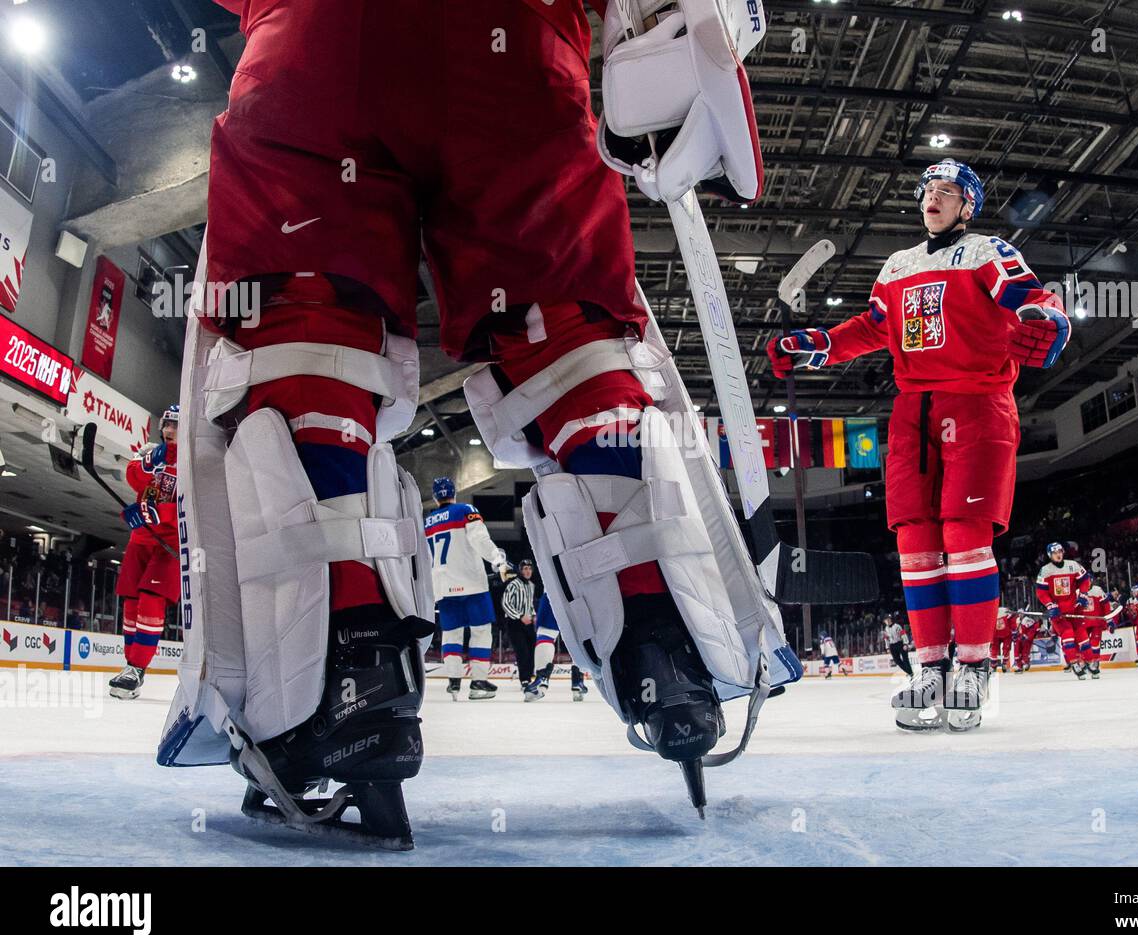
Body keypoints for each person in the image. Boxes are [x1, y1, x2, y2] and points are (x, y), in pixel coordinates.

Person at [163, 0, 780, 841]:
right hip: (520, 49)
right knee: (568, 339)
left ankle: (349, 691)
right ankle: (665, 650)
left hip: (319, 40)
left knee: (308, 340)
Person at [769, 158, 1070, 731]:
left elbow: (1032, 300)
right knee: (915, 541)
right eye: (928, 189)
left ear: (968, 205)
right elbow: (873, 328)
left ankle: (975, 665)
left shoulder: (988, 252)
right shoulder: (897, 265)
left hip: (977, 401)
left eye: (948, 190)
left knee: (964, 533)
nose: (934, 197)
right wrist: (816, 346)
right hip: (913, 410)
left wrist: (1052, 320)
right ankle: (931, 664)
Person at [109, 405, 181, 701]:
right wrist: (149, 465)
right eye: (167, 424)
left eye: (176, 425)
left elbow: (194, 508)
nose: (169, 431)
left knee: (151, 601)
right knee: (131, 602)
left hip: (170, 543)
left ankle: (137, 666)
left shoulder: (195, 461)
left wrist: (158, 513)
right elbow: (133, 478)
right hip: (141, 540)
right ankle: (131, 668)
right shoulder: (151, 452)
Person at [426, 477, 508, 701]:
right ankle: (478, 682)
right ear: (454, 493)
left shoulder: (428, 521)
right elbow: (480, 539)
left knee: (451, 633)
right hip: (471, 583)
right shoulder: (465, 510)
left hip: (442, 587)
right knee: (480, 631)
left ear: (435, 496)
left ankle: (453, 682)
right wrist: (498, 559)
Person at [1036, 542, 1091, 680]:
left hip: (1075, 609)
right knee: (1068, 635)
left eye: (1060, 551)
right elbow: (1041, 592)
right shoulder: (1045, 570)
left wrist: (1083, 595)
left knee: (1083, 638)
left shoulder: (1073, 565)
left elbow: (1085, 580)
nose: (1058, 554)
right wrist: (1050, 605)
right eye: (1055, 553)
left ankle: (1090, 662)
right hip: (1058, 613)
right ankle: (1074, 663)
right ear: (1050, 555)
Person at [524, 591, 589, 702]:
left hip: (552, 588)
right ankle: (578, 682)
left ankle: (541, 678)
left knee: (546, 633)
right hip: (579, 591)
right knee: (579, 636)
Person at [501, 559, 539, 694]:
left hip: (528, 623)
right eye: (525, 568)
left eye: (530, 568)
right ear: (521, 570)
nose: (528, 571)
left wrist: (533, 616)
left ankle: (528, 677)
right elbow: (506, 604)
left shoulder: (531, 585)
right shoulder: (514, 584)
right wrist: (520, 616)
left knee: (532, 651)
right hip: (515, 623)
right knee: (522, 651)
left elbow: (530, 604)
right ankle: (524, 680)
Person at [1077, 582, 1112, 679]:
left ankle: (1094, 662)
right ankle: (1083, 662)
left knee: (1095, 643)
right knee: (1083, 644)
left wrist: (1109, 620)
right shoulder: (1077, 591)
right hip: (1083, 622)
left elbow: (1106, 605)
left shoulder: (1098, 590)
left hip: (1097, 622)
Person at [991, 605, 1014, 673]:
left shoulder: (993, 612)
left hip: (999, 633)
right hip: (1002, 633)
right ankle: (999, 665)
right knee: (999, 649)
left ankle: (996, 665)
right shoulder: (1006, 612)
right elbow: (1012, 620)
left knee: (1001, 649)